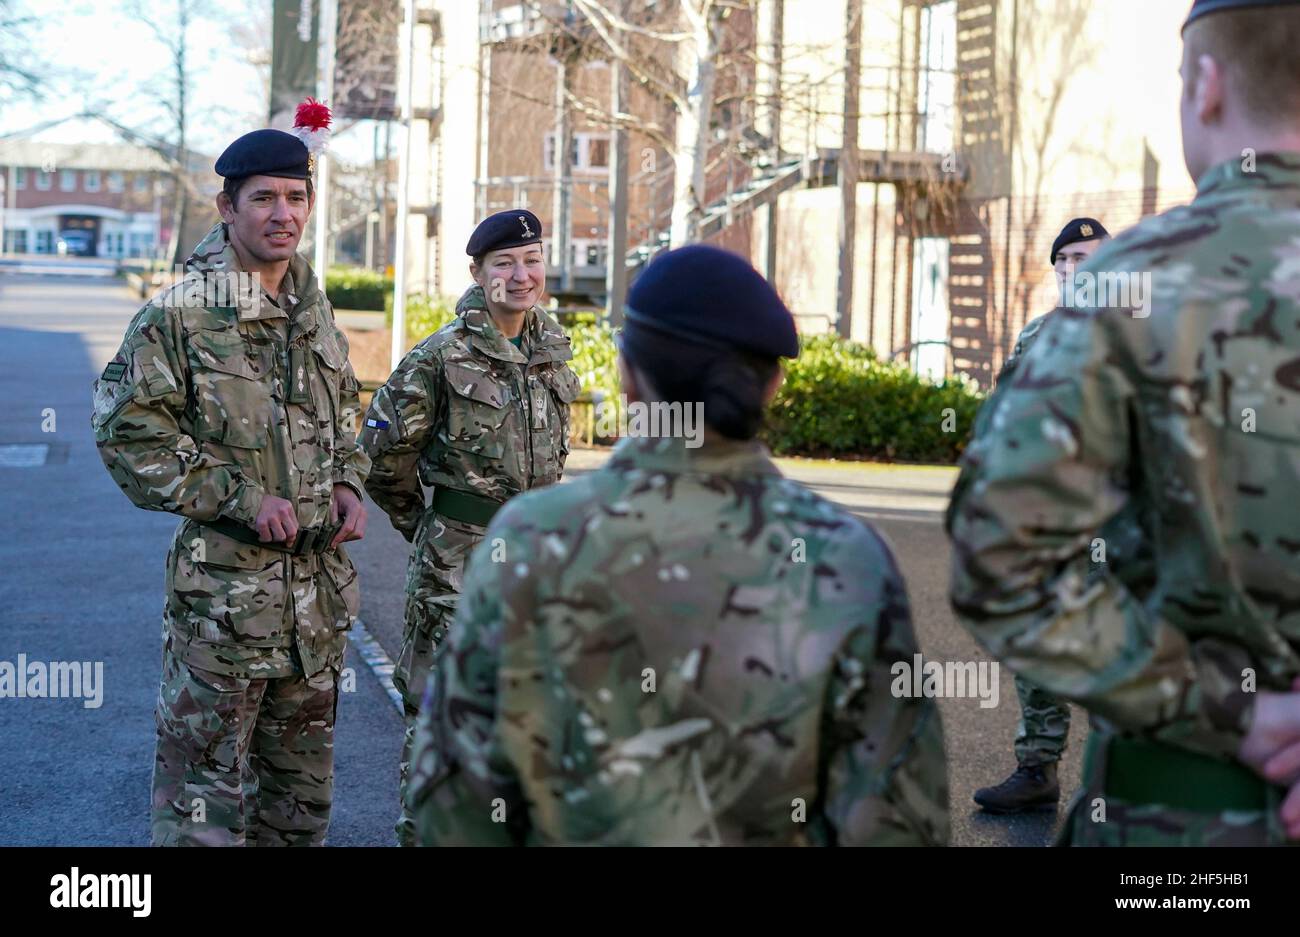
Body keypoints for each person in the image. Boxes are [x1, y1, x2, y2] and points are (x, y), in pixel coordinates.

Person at [405, 244, 950, 846]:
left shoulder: (532, 540)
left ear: (627, 377)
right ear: (773, 385)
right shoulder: (847, 556)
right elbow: (900, 820)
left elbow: (456, 810)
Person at [948, 0, 1300, 845]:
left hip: (1181, 823)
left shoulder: (1128, 282)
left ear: (1206, 86)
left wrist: (1228, 710)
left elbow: (998, 554)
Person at [92, 100, 371, 846]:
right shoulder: (180, 317)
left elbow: (340, 411)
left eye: (297, 196)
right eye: (265, 198)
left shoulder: (313, 312)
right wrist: (239, 498)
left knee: (299, 812)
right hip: (223, 609)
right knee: (201, 812)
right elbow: (128, 434)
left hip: (314, 611)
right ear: (228, 206)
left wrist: (347, 479)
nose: (284, 214)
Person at [359, 208, 581, 846]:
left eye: (531, 260)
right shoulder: (439, 356)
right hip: (458, 567)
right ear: (479, 274)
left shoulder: (552, 350)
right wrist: (429, 527)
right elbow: (381, 458)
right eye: (504, 264)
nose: (520, 275)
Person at [969, 218, 1111, 815]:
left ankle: (1113, 786)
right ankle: (1037, 769)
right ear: (1056, 267)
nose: (1079, 267)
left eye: (1093, 257)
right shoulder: (1036, 335)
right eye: (1069, 257)